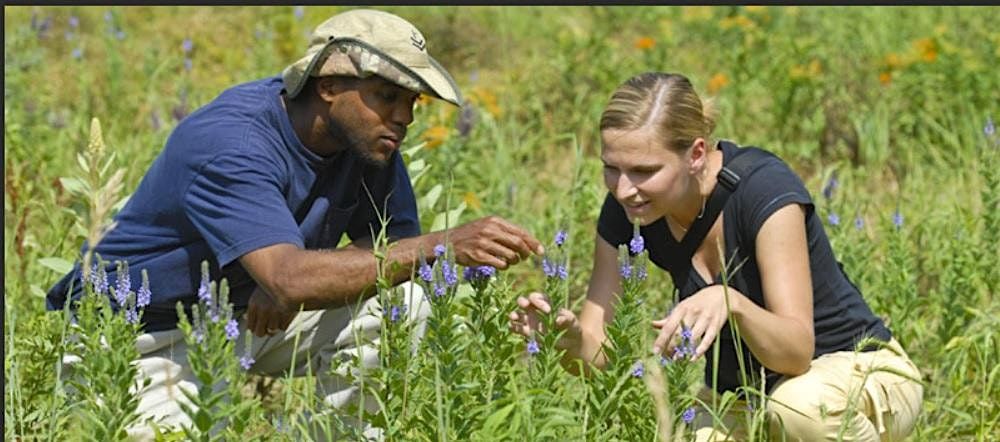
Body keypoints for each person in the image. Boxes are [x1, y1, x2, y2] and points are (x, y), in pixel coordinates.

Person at [46, 9, 543, 440]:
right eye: (387, 95)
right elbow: (308, 273)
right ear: (328, 86)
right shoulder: (233, 142)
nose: (404, 117)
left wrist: (295, 281)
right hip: (137, 333)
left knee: (403, 301)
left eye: (412, 101)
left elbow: (389, 242)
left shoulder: (369, 142)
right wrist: (291, 278)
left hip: (248, 316)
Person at [508, 72, 923, 441]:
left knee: (800, 409)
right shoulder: (628, 209)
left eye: (644, 171)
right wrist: (566, 340)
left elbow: (797, 353)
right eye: (611, 169)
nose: (622, 189)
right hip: (744, 398)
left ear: (697, 154)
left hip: (849, 373)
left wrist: (731, 301)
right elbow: (596, 356)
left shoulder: (763, 192)